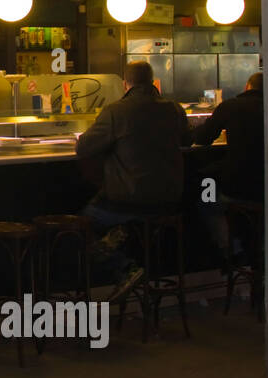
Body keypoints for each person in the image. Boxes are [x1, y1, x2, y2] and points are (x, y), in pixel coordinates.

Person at [75, 60, 191, 298]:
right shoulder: (174, 109)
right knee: (121, 217)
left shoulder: (116, 111)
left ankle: (125, 266)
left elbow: (84, 148)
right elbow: (188, 141)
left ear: (125, 83)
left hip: (129, 199)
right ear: (152, 81)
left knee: (81, 226)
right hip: (170, 199)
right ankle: (122, 232)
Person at [191, 72, 265, 265]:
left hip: (236, 188)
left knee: (206, 201)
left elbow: (203, 138)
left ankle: (232, 250)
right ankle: (264, 252)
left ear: (247, 87)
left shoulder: (231, 106)